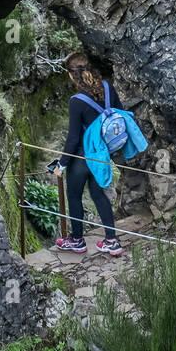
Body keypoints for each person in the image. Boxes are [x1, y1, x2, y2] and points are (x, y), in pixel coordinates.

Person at [53, 52, 123, 255]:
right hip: (102, 154)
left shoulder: (77, 101)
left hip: (82, 157)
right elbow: (120, 113)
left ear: (72, 75)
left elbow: (73, 138)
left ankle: (77, 240)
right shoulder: (108, 88)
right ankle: (112, 240)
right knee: (97, 193)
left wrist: (62, 164)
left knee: (74, 195)